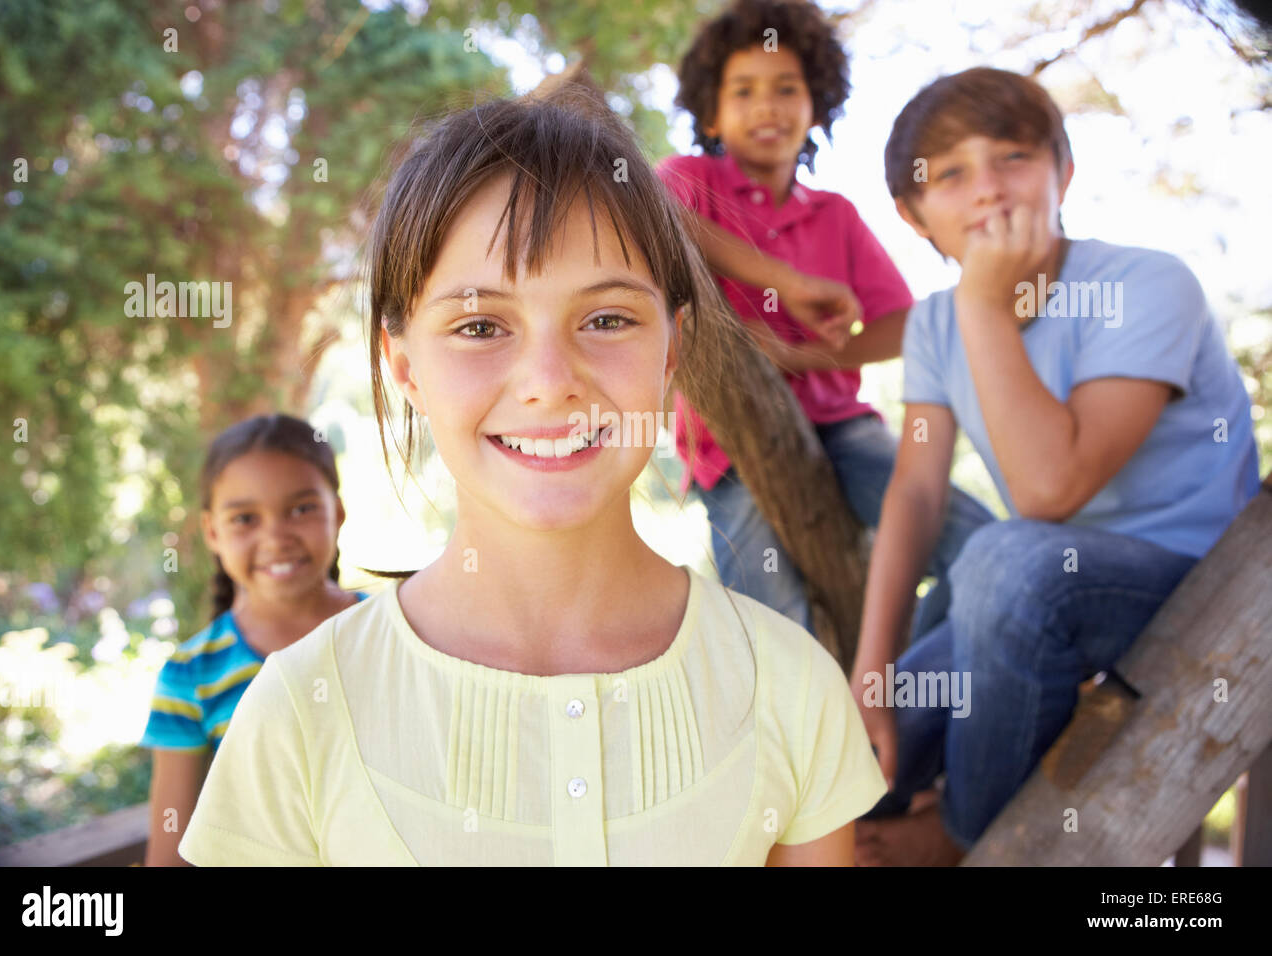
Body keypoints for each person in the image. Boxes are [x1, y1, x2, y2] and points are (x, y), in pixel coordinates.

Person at [176, 86, 887, 866]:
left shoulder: (791, 689)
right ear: (403, 363)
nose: (550, 380)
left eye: (607, 319)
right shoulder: (301, 707)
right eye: (480, 326)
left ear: (672, 349)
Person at [850, 67, 1262, 865]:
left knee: (1003, 557)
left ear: (1062, 172)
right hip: (1039, 596)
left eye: (1012, 158)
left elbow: (1048, 487)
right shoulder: (935, 325)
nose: (988, 192)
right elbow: (917, 490)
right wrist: (872, 667)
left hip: (1192, 586)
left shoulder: (1143, 284)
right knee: (860, 732)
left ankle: (958, 837)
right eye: (952, 174)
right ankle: (860, 826)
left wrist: (981, 306)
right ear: (913, 215)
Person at [656, 0, 993, 635]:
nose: (768, 107)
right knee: (774, 623)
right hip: (728, 447)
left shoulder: (834, 213)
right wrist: (787, 279)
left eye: (788, 89)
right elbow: (658, 216)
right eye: (744, 90)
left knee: (979, 546)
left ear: (818, 106)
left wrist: (806, 357)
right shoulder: (687, 180)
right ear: (711, 111)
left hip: (844, 428)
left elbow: (901, 324)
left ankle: (904, 685)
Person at [141, 414, 366, 866]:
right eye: (245, 518)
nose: (276, 538)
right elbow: (172, 854)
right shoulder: (190, 677)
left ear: (337, 513)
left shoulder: (392, 632)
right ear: (212, 533)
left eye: (302, 509)